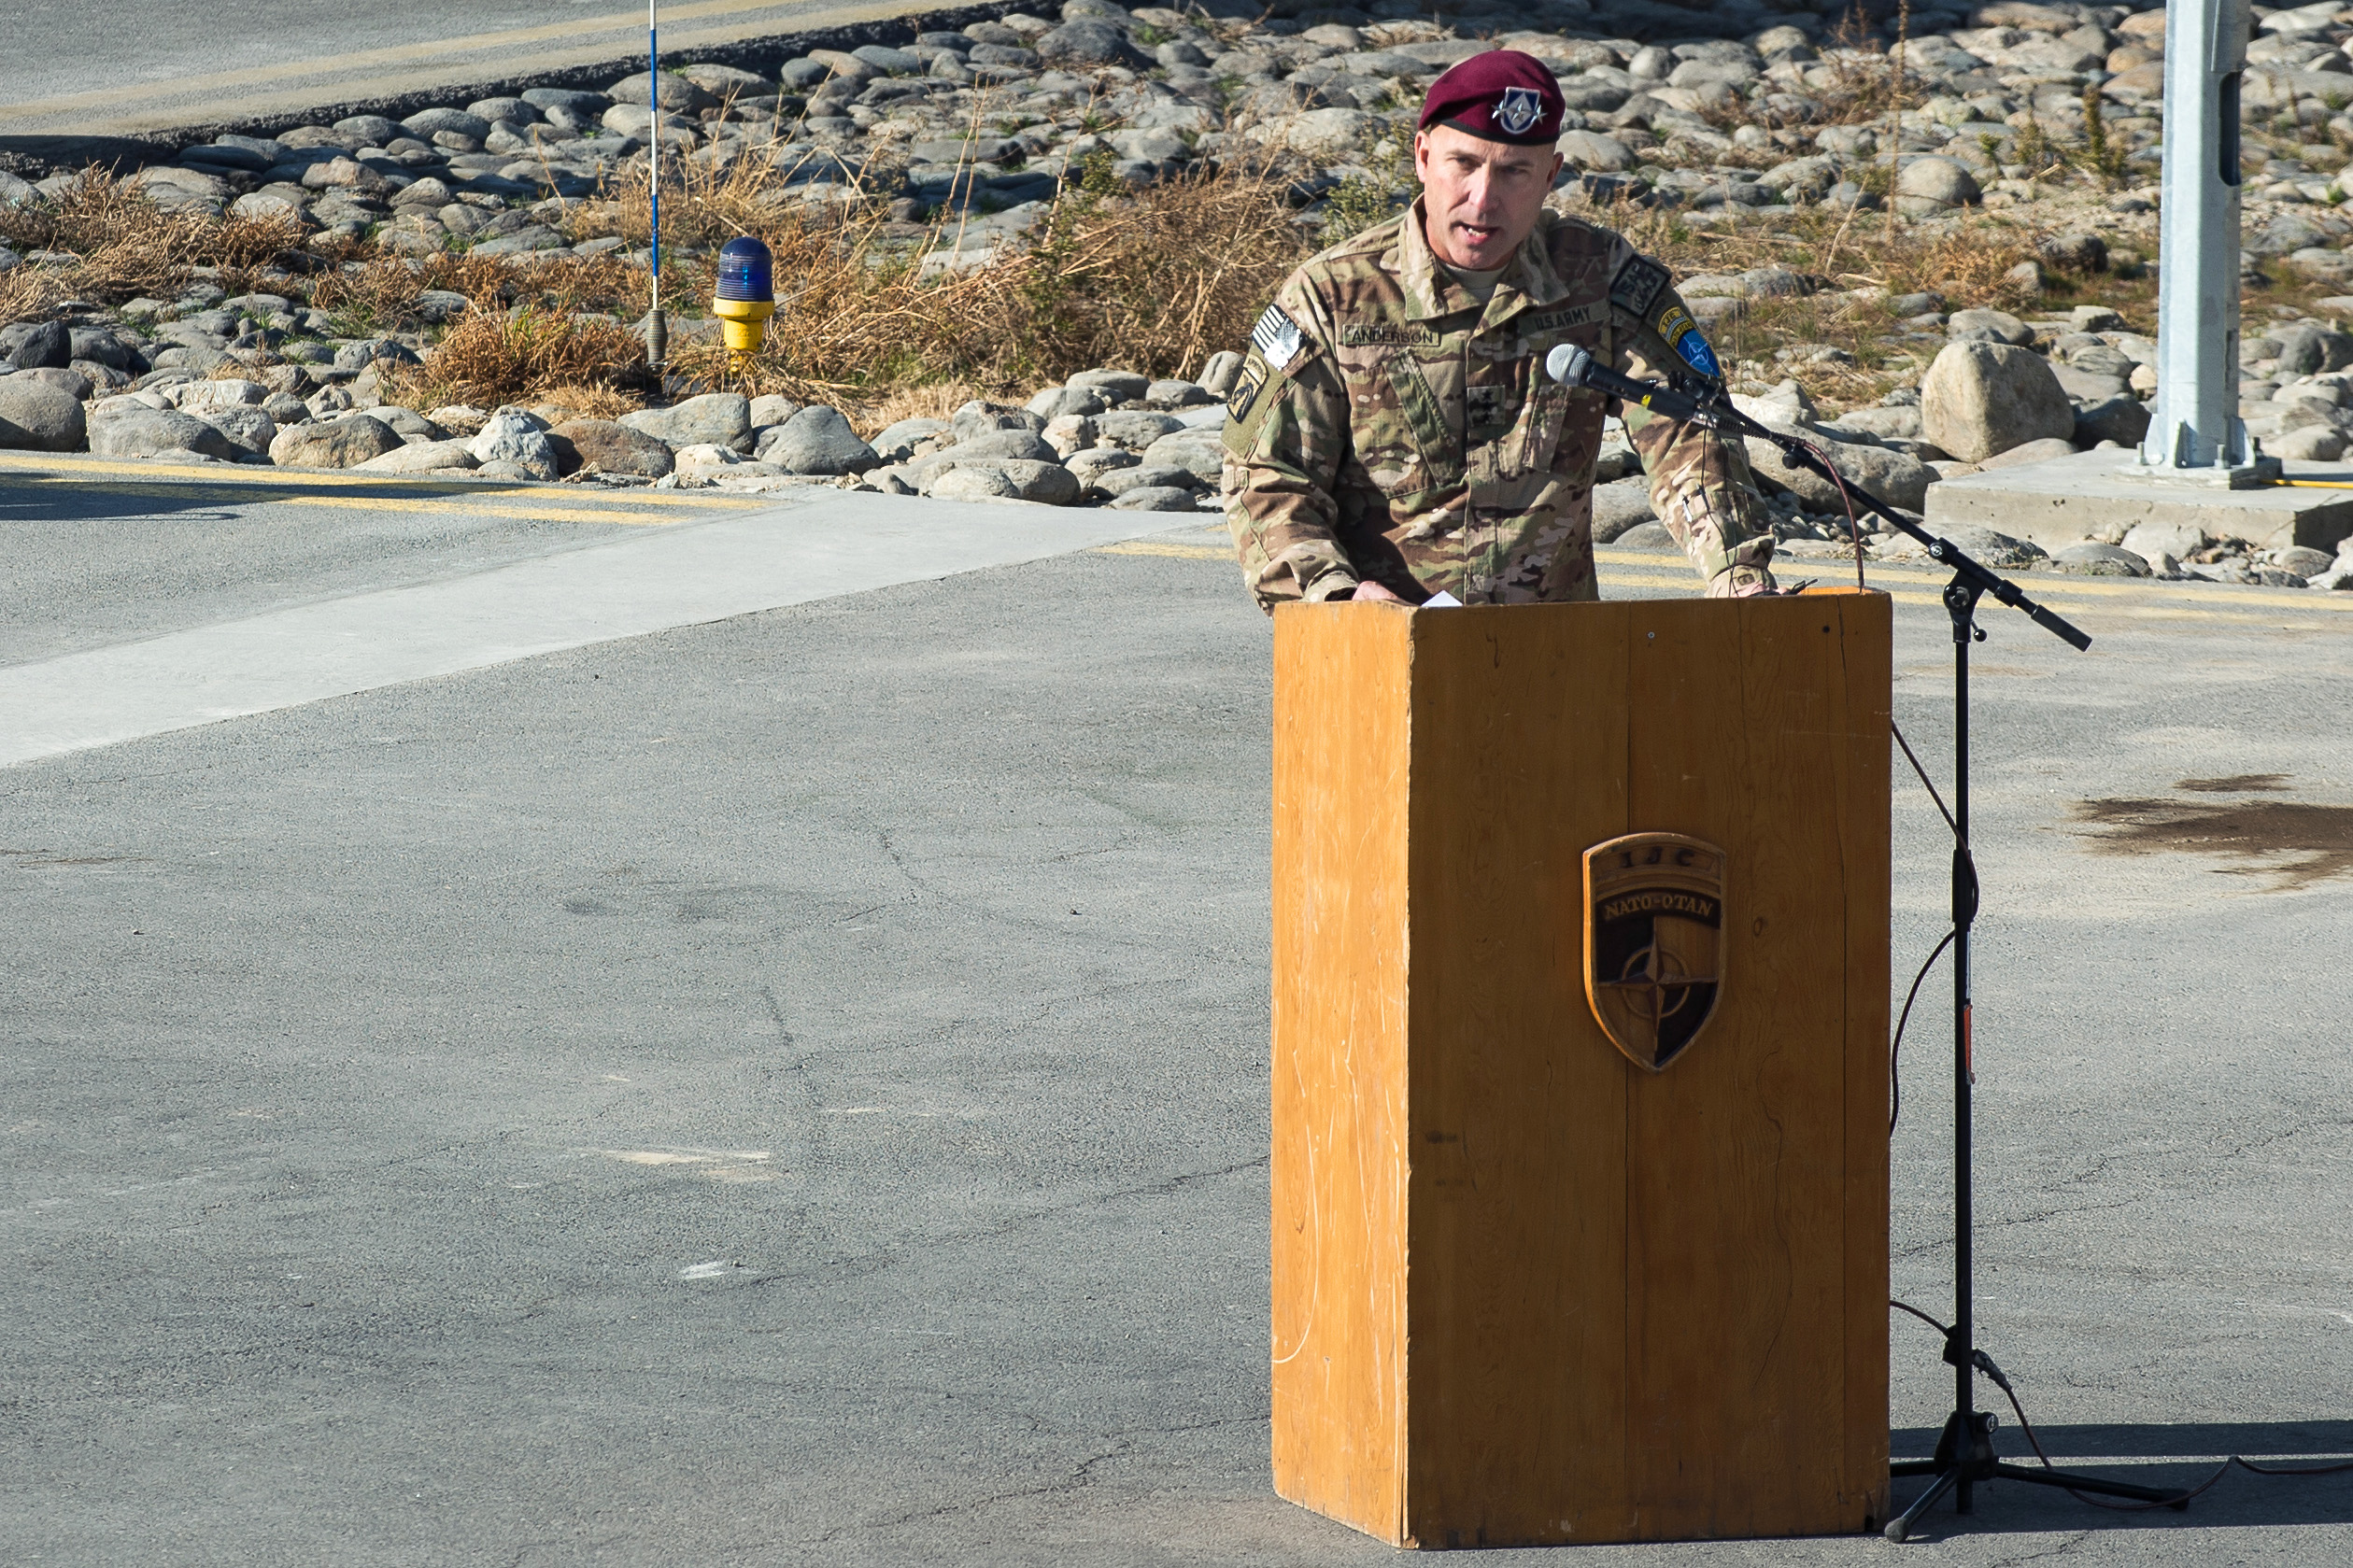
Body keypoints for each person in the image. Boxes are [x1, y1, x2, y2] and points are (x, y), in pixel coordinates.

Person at [1221, 49, 1780, 610]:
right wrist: (1335, 596)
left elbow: (1689, 429)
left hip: (1551, 647)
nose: (1484, 199)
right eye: (1463, 163)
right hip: (1381, 641)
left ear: (1550, 176)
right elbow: (1266, 475)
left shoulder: (1599, 278)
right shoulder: (1333, 296)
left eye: (1515, 171)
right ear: (1422, 156)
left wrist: (1735, 569)